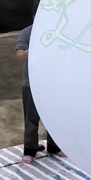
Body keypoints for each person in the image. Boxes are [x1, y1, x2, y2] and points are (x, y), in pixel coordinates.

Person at [15, 24, 64, 163]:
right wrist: (35, 49)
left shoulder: (57, 29)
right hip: (31, 83)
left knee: (53, 117)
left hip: (51, 82)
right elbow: (19, 55)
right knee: (31, 118)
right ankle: (30, 150)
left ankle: (54, 147)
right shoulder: (27, 32)